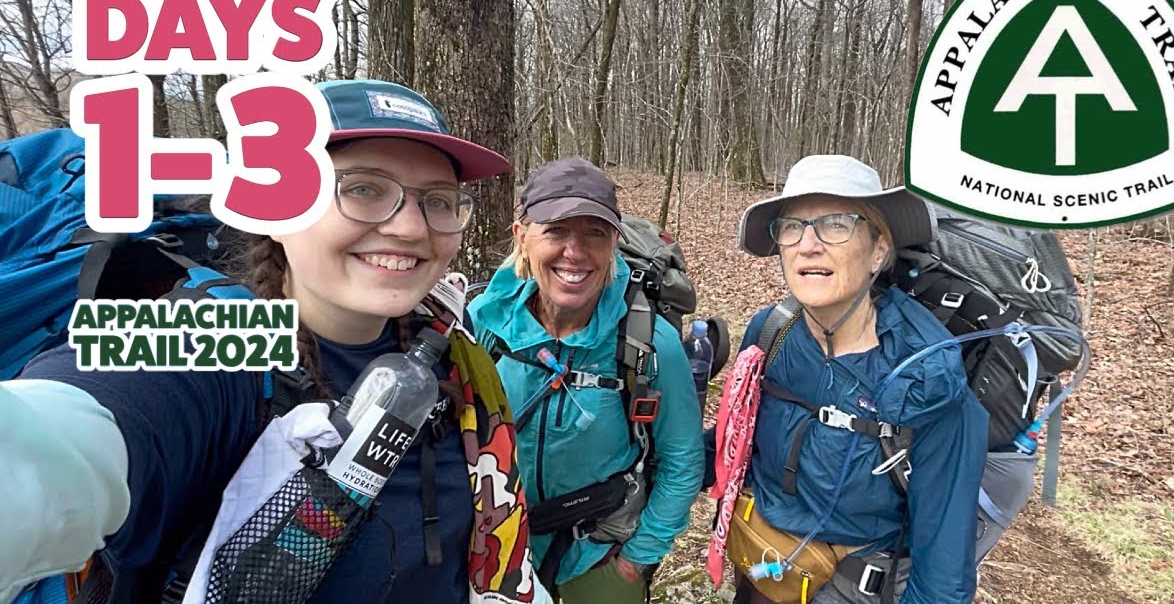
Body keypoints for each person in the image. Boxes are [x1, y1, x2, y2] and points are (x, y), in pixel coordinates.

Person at [0, 80, 549, 604]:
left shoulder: (453, 355)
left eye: (439, 200)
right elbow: (61, 442)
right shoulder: (203, 346)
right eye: (363, 189)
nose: (410, 228)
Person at [717, 155, 988, 604]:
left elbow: (943, 574)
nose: (808, 245)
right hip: (764, 565)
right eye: (792, 227)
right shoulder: (771, 331)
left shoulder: (926, 372)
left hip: (851, 587)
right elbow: (737, 438)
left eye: (836, 225)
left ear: (878, 250)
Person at [468, 157, 704, 603]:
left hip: (599, 554)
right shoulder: (484, 321)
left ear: (614, 241)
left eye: (594, 233)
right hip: (497, 549)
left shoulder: (648, 341)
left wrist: (636, 560)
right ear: (522, 237)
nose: (574, 252)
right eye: (555, 231)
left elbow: (682, 459)